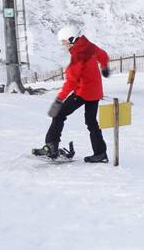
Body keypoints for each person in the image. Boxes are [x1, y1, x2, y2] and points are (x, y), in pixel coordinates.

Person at [35, 24, 111, 162]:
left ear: (72, 39)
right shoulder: (89, 46)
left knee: (59, 114)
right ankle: (100, 153)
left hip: (83, 93)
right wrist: (104, 66)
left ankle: (51, 145)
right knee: (91, 122)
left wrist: (59, 100)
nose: (64, 45)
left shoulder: (78, 56)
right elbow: (103, 55)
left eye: (64, 42)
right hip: (95, 92)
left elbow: (71, 82)